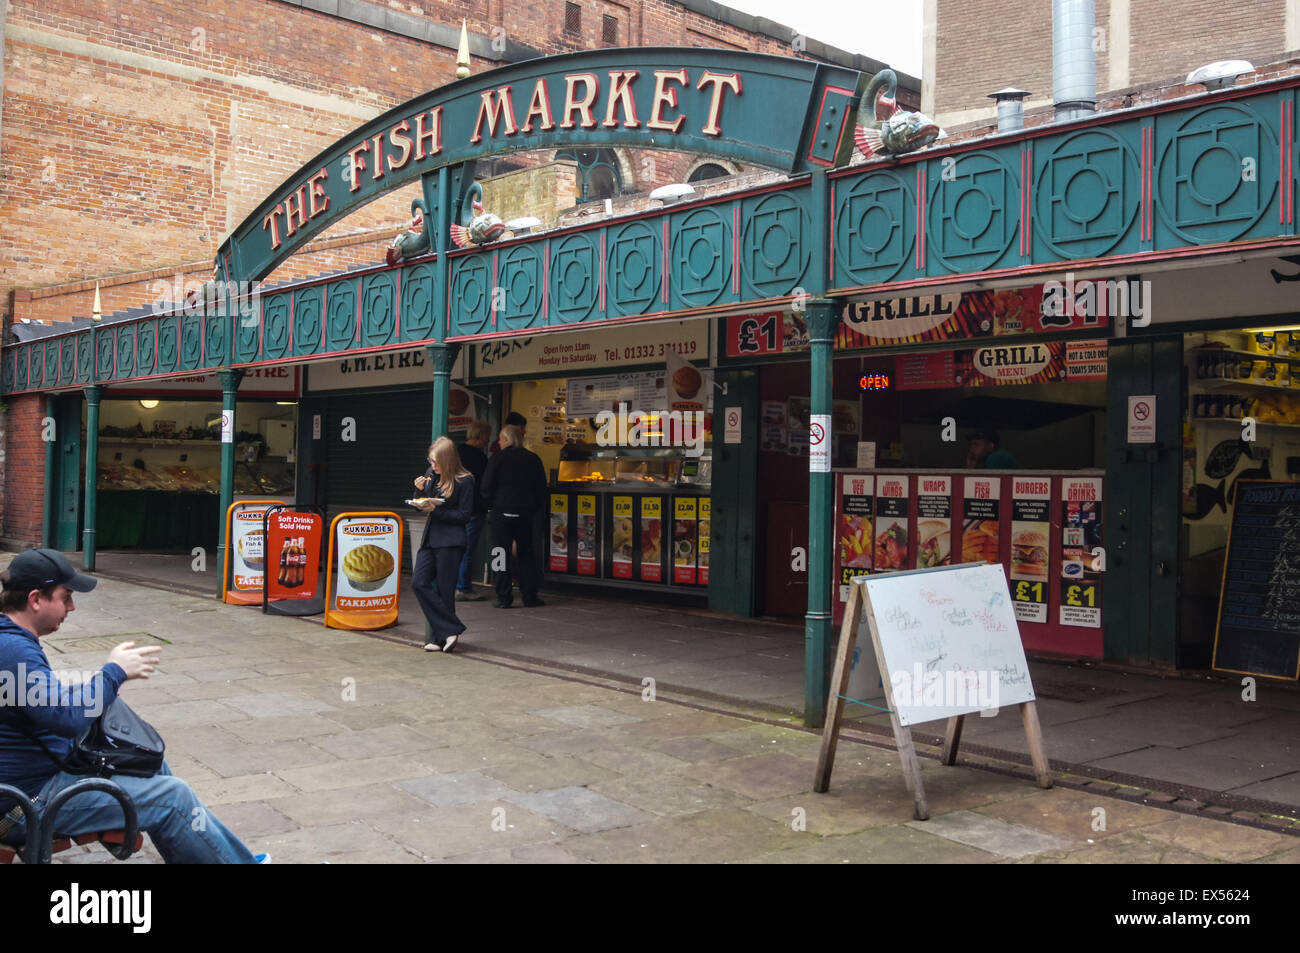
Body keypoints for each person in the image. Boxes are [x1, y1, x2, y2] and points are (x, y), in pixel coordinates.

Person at [0, 549, 262, 863]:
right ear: (35, 599)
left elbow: (34, 699)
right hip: (25, 804)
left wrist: (95, 689)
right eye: (65, 596)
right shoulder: (14, 649)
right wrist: (114, 673)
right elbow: (64, 717)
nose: (72, 606)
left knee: (149, 761)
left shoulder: (11, 641)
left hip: (34, 782)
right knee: (172, 798)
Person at [411, 437, 475, 652]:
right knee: (418, 582)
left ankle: (440, 638)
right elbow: (420, 505)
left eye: (437, 463)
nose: (433, 467)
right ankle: (452, 628)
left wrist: (436, 510)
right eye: (430, 461)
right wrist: (419, 492)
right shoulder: (431, 475)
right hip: (430, 538)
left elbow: (465, 516)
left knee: (446, 591)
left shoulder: (465, 481)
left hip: (451, 541)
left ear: (448, 461)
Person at [480, 424, 548, 609]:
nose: (499, 442)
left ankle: (503, 596)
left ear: (507, 439)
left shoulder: (497, 458)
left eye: (501, 439)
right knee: (526, 553)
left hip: (501, 513)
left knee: (500, 553)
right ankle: (530, 595)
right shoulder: (533, 459)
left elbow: (486, 487)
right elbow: (541, 489)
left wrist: (489, 506)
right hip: (525, 514)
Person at [454, 421, 491, 602]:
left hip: (456, 508)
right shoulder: (480, 457)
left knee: (456, 548)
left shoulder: (457, 452)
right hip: (474, 509)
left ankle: (454, 585)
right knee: (468, 549)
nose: (489, 440)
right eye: (487, 436)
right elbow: (485, 485)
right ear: (481, 435)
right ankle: (463, 588)